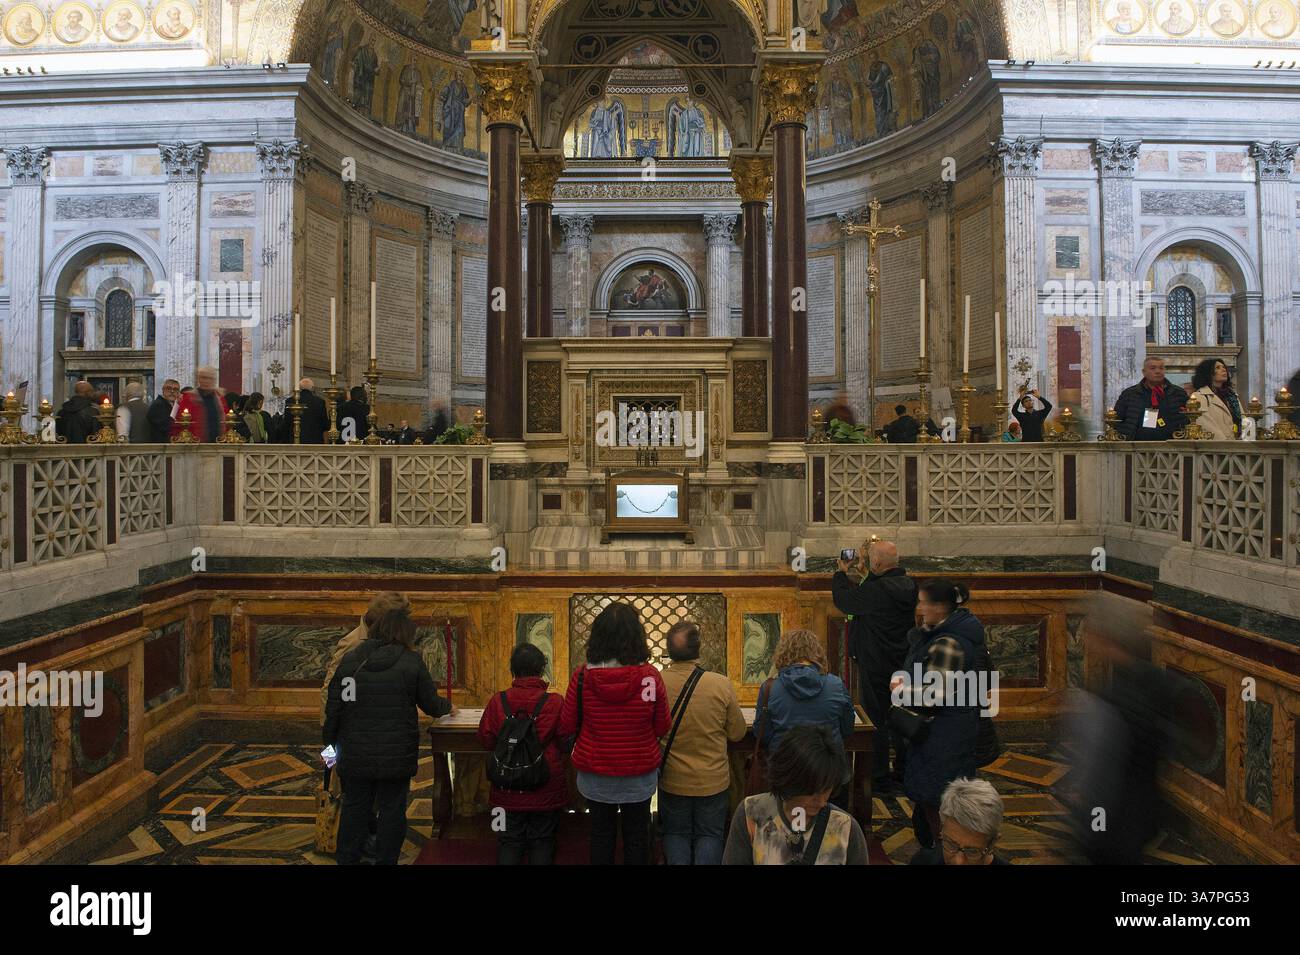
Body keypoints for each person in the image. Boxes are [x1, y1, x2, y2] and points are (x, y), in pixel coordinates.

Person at [323, 604, 453, 865]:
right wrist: (449, 707)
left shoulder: (351, 661)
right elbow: (430, 704)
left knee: (354, 809)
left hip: (355, 754)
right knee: (393, 811)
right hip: (395, 755)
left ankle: (347, 860)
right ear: (406, 634)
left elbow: (333, 712)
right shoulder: (410, 662)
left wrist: (329, 756)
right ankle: (386, 860)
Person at [558, 601, 669, 865]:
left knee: (600, 834)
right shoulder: (648, 678)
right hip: (638, 772)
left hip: (596, 771)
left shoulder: (583, 678)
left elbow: (566, 725)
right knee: (637, 836)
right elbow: (662, 726)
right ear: (637, 637)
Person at [897, 579, 991, 849]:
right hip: (946, 733)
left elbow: (931, 695)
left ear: (940, 606)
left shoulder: (948, 643)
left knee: (940, 804)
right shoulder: (943, 634)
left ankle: (945, 851)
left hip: (942, 736)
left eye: (924, 602)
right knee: (937, 801)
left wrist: (901, 691)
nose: (919, 607)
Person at [831, 540, 917, 794]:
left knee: (876, 718)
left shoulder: (877, 591)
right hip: (901, 661)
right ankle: (904, 770)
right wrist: (867, 575)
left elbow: (846, 601)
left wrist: (841, 572)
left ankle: (879, 777)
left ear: (877, 562)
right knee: (902, 716)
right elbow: (872, 595)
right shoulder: (908, 585)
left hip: (876, 662)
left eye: (869, 559)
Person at [658, 621, 747, 865]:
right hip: (712, 779)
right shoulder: (720, 684)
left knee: (675, 833)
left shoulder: (656, 683)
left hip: (673, 779)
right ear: (699, 649)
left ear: (668, 650)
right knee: (710, 834)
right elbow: (737, 733)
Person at [723, 724, 870, 865]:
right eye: (811, 792)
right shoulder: (751, 814)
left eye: (826, 790)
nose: (821, 801)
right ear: (790, 780)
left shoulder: (845, 827)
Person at [476, 643, 568, 864]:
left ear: (513, 669)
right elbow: (565, 741)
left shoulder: (499, 701)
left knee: (508, 841)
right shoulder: (555, 702)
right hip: (545, 785)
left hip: (506, 787)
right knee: (543, 840)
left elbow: (486, 739)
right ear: (541, 668)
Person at [756, 629, 855, 805]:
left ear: (783, 654)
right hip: (828, 772)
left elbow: (762, 734)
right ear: (817, 653)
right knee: (830, 827)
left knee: (787, 827)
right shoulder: (836, 685)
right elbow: (847, 729)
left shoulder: (770, 688)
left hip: (787, 771)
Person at [908, 777, 1010, 865]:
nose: (959, 862)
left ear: (992, 844)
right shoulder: (923, 861)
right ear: (941, 830)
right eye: (951, 844)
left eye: (972, 851)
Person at [1113, 357, 1188, 440]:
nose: (1158, 371)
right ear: (1144, 372)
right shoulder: (1130, 394)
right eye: (1153, 368)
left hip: (1173, 443)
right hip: (1137, 443)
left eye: (1161, 368)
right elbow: (1117, 419)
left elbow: (1187, 418)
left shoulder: (1177, 393)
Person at [1188, 357, 1240, 440]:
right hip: (1217, 446)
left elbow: (1243, 419)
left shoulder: (1232, 396)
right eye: (1218, 368)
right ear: (1208, 373)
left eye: (1224, 367)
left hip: (1237, 444)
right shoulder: (1200, 396)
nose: (1224, 370)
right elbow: (1205, 424)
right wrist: (1225, 443)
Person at [173, 366, 227, 442]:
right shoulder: (189, 398)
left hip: (218, 444)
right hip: (194, 444)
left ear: (214, 380)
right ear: (198, 379)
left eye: (210, 378)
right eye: (203, 377)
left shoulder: (220, 399)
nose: (206, 381)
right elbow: (179, 423)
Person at [294, 377, 329, 445]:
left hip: (296, 439)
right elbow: (324, 424)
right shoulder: (320, 402)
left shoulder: (291, 401)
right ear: (312, 388)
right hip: (315, 439)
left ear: (300, 388)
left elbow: (287, 423)